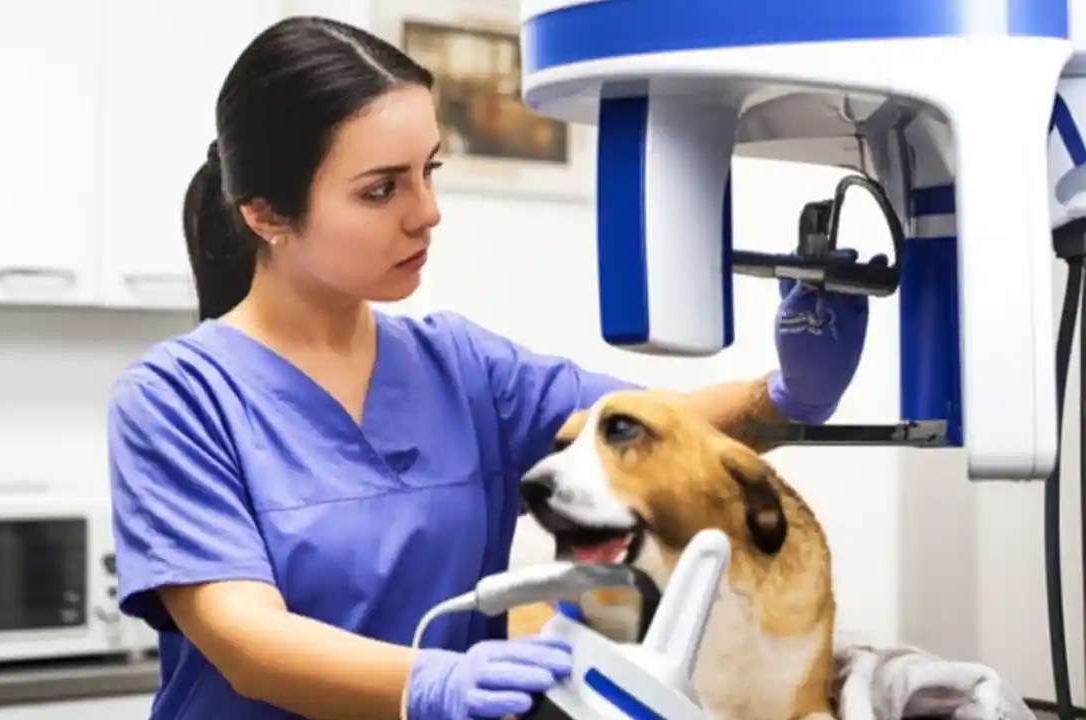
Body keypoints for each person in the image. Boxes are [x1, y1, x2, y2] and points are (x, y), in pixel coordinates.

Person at [105, 15, 873, 720]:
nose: (427, 211)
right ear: (267, 215)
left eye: (428, 170)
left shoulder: (461, 368)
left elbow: (658, 436)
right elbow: (245, 642)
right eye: (382, 189)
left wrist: (784, 393)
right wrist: (428, 682)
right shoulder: (177, 399)